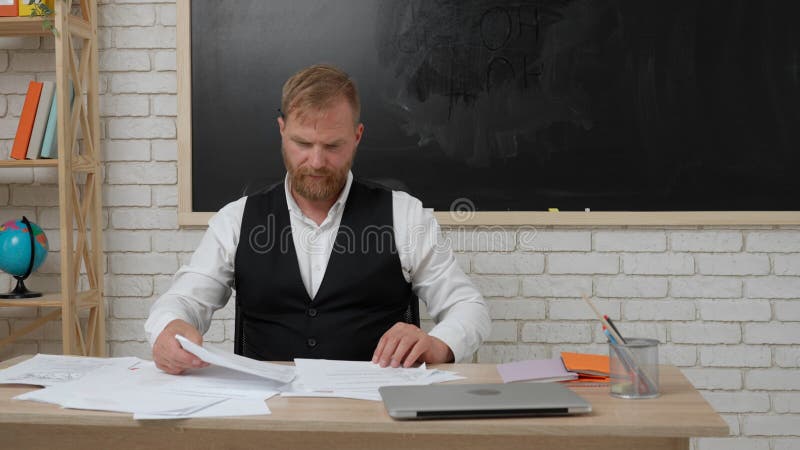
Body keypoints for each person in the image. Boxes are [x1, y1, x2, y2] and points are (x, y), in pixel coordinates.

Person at [145, 64, 491, 375]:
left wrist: (439, 344)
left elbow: (468, 306)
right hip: (267, 418)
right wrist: (169, 327)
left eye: (332, 146)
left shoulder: (404, 214)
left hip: (377, 414)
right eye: (302, 143)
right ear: (282, 131)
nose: (316, 161)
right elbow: (185, 299)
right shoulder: (236, 220)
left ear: (356, 137)